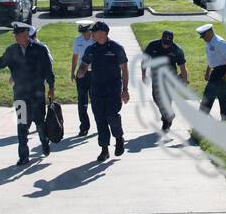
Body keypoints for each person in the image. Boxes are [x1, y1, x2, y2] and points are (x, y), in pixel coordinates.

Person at [0, 21, 55, 166]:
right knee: (22, 125)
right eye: (15, 35)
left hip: (37, 93)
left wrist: (51, 87)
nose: (15, 37)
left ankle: (44, 141)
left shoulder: (40, 49)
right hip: (20, 94)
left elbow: (48, 69)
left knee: (39, 122)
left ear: (26, 34)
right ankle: (24, 156)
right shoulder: (11, 51)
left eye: (18, 35)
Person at [75, 20, 128, 161]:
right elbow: (84, 65)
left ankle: (119, 138)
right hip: (96, 89)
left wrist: (125, 90)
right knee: (100, 119)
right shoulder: (91, 49)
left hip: (113, 89)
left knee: (112, 115)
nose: (91, 34)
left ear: (103, 33)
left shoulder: (117, 48)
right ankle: (104, 149)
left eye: (94, 32)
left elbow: (124, 69)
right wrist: (80, 72)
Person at [141, 29, 188, 131]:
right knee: (156, 98)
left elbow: (183, 68)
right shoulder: (152, 45)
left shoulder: (177, 50)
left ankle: (166, 124)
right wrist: (143, 74)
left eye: (168, 43)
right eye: (164, 43)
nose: (166, 45)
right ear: (161, 39)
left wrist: (185, 81)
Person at [196, 23, 226, 120]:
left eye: (204, 36)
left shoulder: (219, 42)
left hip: (220, 71)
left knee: (208, 95)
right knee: (222, 96)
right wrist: (207, 71)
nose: (203, 38)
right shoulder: (209, 43)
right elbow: (211, 59)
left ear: (210, 32)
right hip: (215, 71)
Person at [70, 19, 95, 137]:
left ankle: (102, 123)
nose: (84, 35)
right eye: (82, 32)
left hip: (94, 74)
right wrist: (72, 72)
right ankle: (84, 127)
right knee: (82, 102)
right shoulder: (77, 40)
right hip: (81, 74)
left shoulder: (96, 40)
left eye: (86, 32)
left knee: (96, 101)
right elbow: (75, 57)